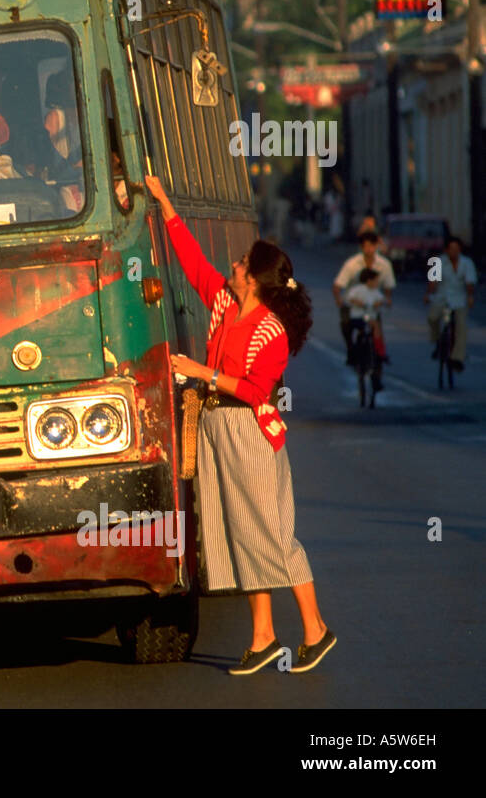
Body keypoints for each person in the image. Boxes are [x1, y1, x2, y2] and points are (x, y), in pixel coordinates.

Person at [145, 176, 334, 674]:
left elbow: (254, 392)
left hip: (249, 431)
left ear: (253, 278)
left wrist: (202, 372)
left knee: (270, 534)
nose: (232, 265)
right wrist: (165, 205)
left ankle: (314, 630)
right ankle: (265, 636)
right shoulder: (227, 305)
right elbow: (192, 264)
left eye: (242, 262)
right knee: (243, 532)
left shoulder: (270, 331)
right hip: (219, 430)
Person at [333, 231, 395, 387]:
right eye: (365, 246)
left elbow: (388, 288)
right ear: (361, 247)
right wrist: (340, 300)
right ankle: (351, 351)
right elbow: (338, 285)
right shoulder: (352, 264)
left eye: (372, 246)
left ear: (376, 246)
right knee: (346, 324)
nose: (369, 249)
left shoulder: (384, 265)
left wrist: (386, 300)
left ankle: (378, 369)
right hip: (353, 305)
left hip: (373, 306)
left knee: (377, 334)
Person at [425, 236, 477, 373]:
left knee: (461, 327)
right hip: (441, 297)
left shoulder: (467, 263)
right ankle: (437, 342)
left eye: (457, 249)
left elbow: (470, 283)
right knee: (432, 318)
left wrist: (471, 296)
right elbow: (432, 283)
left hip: (459, 299)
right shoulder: (438, 262)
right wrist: (428, 294)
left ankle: (457, 358)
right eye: (451, 249)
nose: (454, 252)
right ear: (446, 250)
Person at [343, 268, 388, 377]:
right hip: (358, 317)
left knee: (375, 325)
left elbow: (382, 300)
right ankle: (378, 352)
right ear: (369, 280)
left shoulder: (375, 291)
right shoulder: (358, 289)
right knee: (372, 326)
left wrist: (380, 303)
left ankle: (377, 350)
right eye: (376, 280)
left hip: (370, 317)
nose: (377, 283)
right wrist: (358, 302)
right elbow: (349, 298)